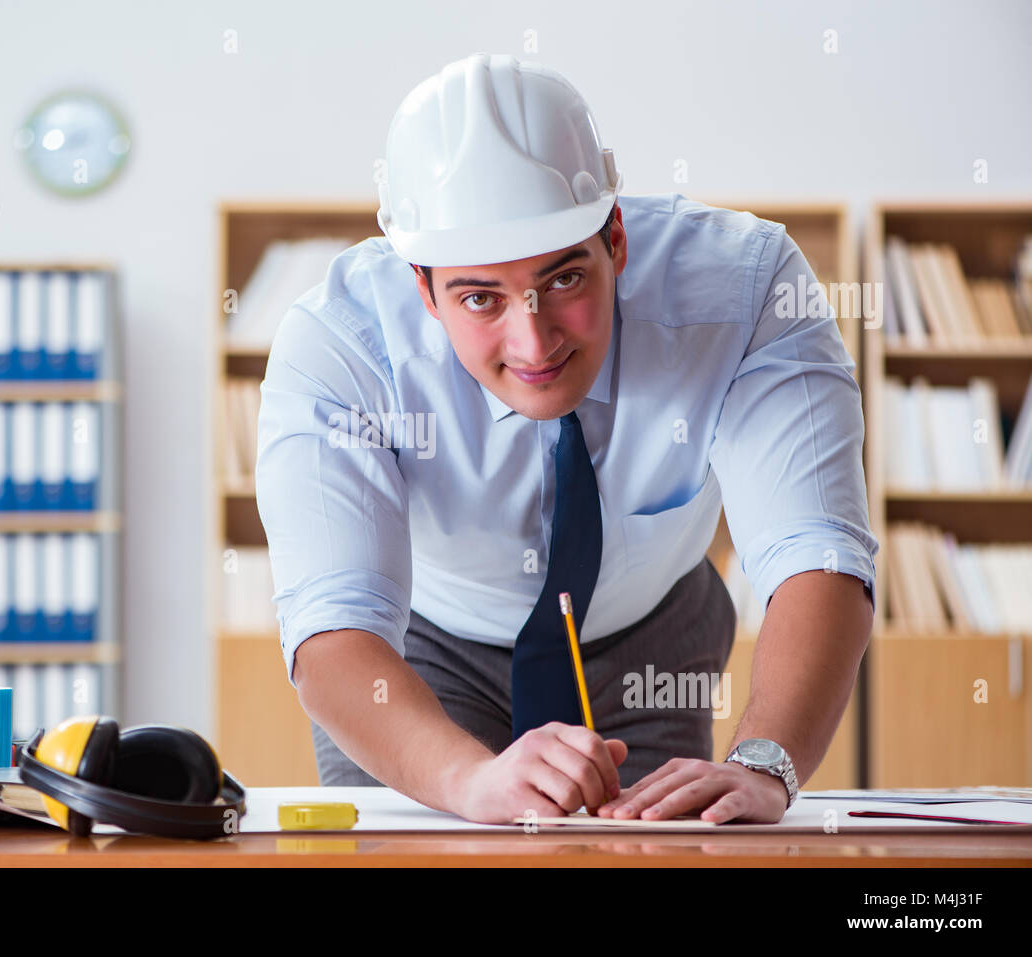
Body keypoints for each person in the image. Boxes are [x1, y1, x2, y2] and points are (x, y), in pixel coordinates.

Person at [254, 53, 878, 825]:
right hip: (424, 646)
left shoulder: (746, 292)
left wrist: (766, 764)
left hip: (652, 629)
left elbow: (817, 551)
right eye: (480, 297)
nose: (534, 340)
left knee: (671, 844)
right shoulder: (339, 343)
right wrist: (466, 782)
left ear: (614, 236)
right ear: (423, 287)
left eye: (565, 279)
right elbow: (332, 619)